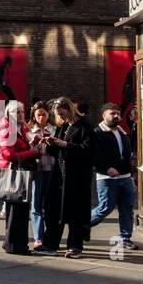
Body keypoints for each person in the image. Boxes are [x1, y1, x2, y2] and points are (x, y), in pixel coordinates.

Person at [41, 97, 94, 258]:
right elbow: (56, 151)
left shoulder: (84, 126)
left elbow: (89, 149)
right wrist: (49, 143)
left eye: (63, 114)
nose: (61, 117)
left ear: (70, 109)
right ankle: (51, 244)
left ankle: (74, 246)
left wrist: (66, 145)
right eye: (58, 115)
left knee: (75, 212)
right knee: (54, 210)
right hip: (60, 175)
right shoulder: (63, 126)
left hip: (77, 176)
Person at [89, 102, 138, 252]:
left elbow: (125, 155)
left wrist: (131, 173)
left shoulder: (121, 132)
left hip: (125, 177)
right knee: (105, 208)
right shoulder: (97, 133)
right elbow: (94, 156)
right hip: (107, 179)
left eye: (118, 113)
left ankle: (125, 238)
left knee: (127, 208)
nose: (116, 116)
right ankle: (81, 225)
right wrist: (106, 168)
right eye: (112, 113)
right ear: (104, 115)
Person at [0, 101, 37, 255]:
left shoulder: (19, 128)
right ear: (8, 114)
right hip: (13, 174)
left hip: (20, 172)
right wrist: (33, 153)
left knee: (19, 210)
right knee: (17, 211)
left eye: (21, 111)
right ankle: (15, 245)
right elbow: (9, 155)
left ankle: (11, 243)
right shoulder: (7, 130)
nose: (20, 114)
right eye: (17, 112)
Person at [26, 101, 56, 250]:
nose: (41, 117)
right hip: (36, 169)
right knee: (36, 204)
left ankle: (49, 235)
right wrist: (34, 142)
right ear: (34, 115)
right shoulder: (29, 130)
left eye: (44, 114)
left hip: (52, 168)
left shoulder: (54, 129)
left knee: (49, 204)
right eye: (38, 115)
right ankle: (38, 238)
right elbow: (26, 149)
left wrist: (52, 142)